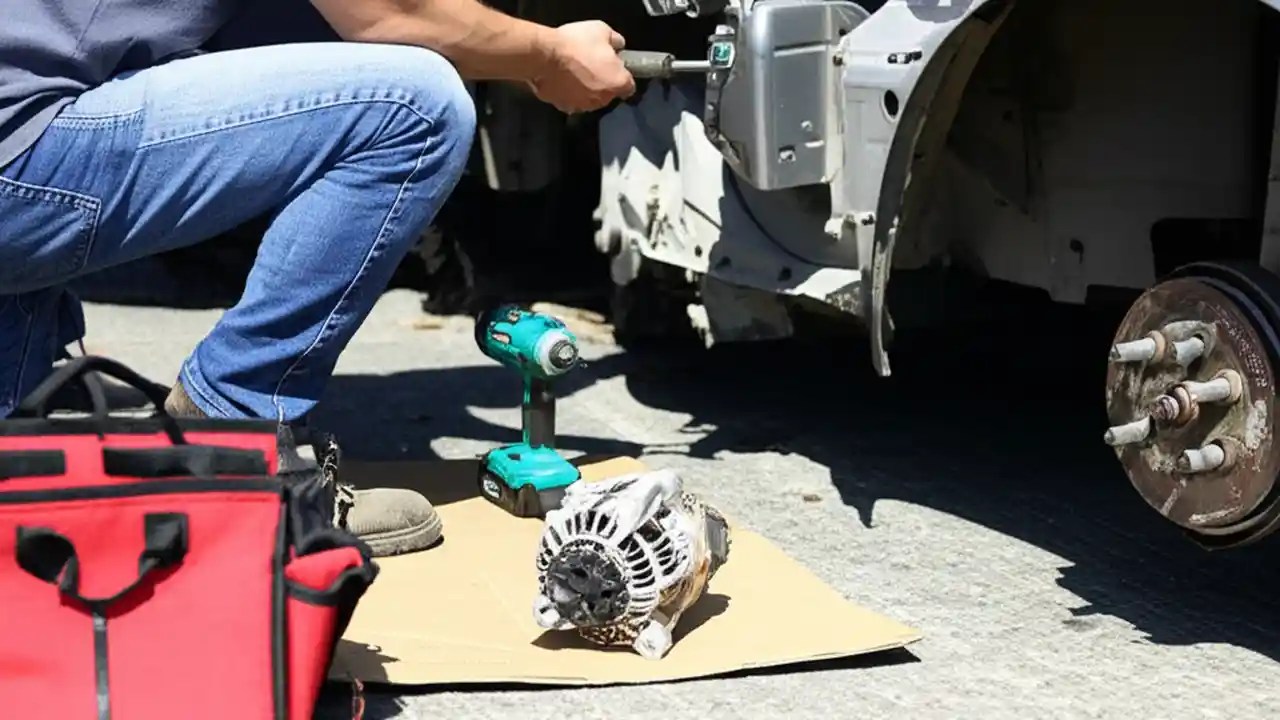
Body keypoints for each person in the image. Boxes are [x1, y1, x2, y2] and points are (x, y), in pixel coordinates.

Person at [0, 0, 636, 557]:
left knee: (24, 488)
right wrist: (548, 53)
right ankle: (234, 430)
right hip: (21, 159)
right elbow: (393, 14)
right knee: (415, 105)